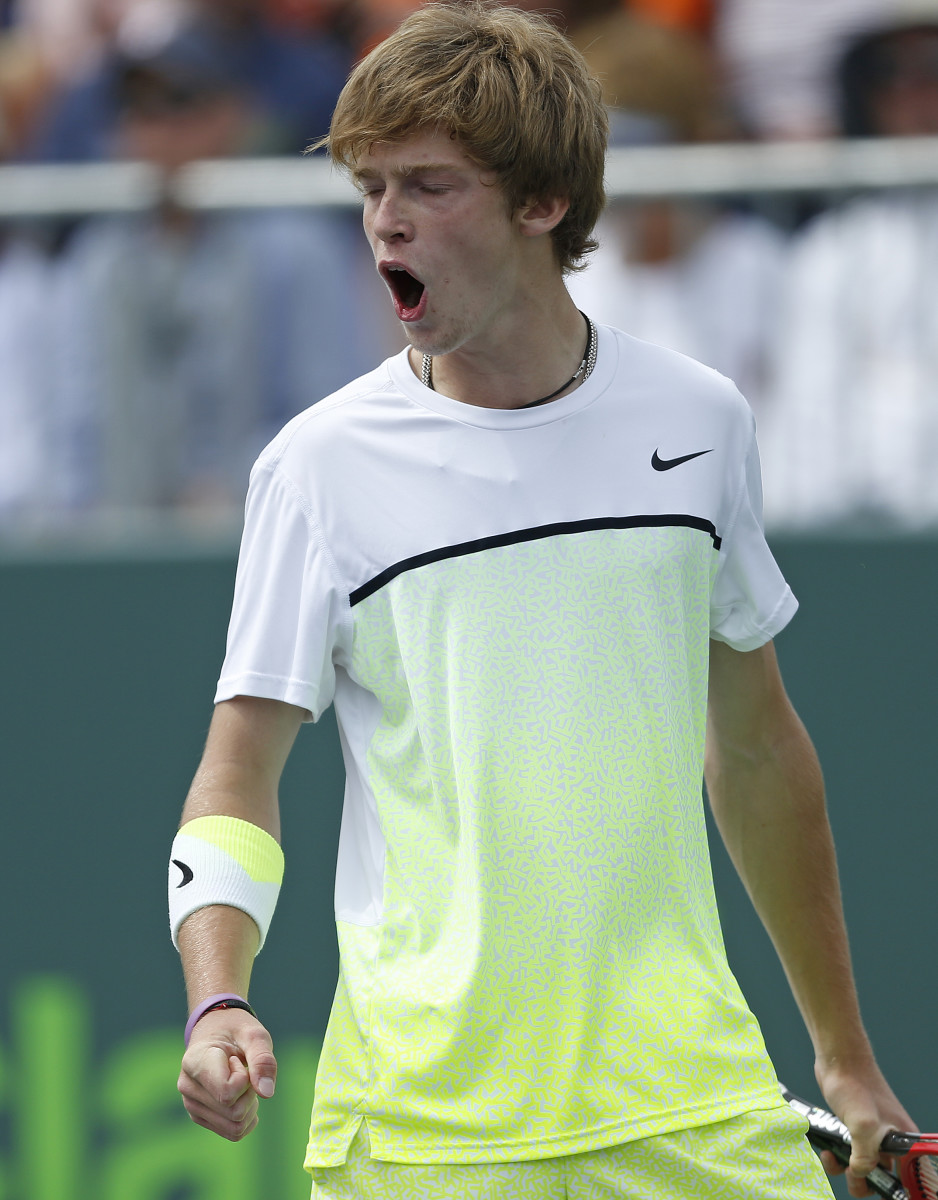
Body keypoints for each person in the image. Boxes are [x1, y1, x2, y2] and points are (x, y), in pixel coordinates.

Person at [169, 4, 913, 1198]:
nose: (385, 220)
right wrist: (218, 997)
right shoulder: (315, 467)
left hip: (693, 1110)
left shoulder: (698, 421)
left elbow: (756, 749)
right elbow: (235, 775)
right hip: (417, 1138)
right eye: (370, 187)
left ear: (543, 202)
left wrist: (844, 1059)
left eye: (428, 185)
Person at [758, 1, 938, 530]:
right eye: (887, 71)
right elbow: (807, 422)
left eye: (933, 66)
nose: (912, 90)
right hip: (875, 536)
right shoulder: (830, 250)